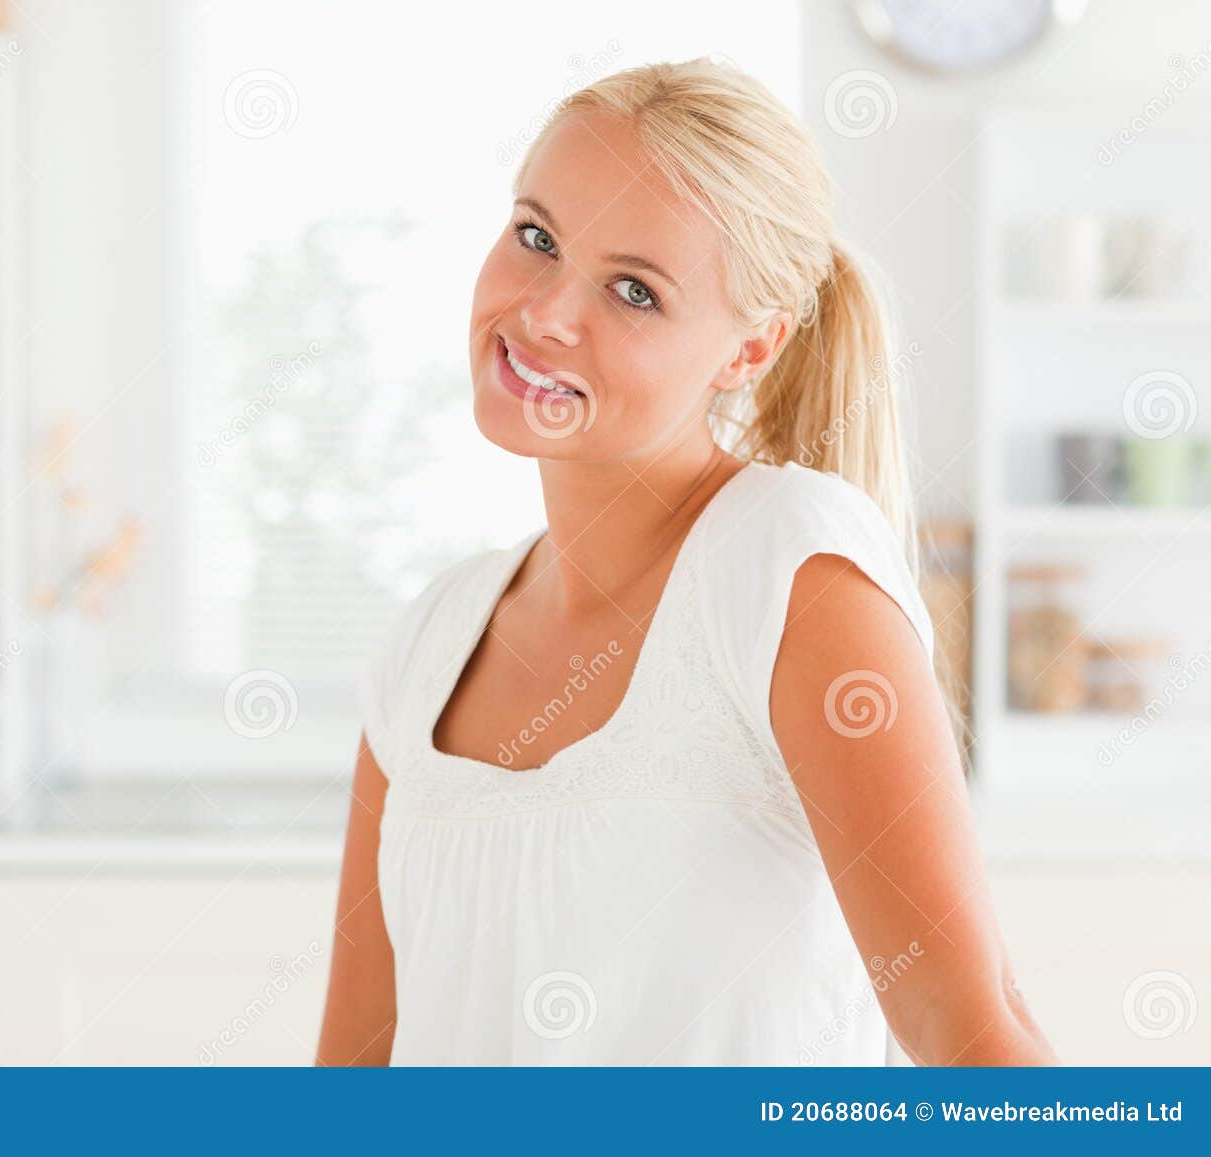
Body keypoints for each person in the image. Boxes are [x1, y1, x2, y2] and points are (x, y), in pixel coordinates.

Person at [315, 58, 1057, 1066]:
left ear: (749, 350)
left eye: (633, 290)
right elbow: (353, 1073)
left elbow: (969, 1030)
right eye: (536, 237)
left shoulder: (788, 569)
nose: (542, 315)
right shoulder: (430, 641)